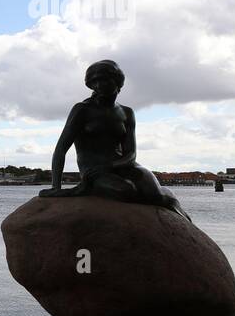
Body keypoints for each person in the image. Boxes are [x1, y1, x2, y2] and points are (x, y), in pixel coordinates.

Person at [40, 59, 187, 217]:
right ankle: (86, 189)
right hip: (94, 171)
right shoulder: (82, 110)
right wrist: (56, 187)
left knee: (156, 195)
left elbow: (130, 154)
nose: (98, 85)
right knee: (126, 191)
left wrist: (110, 166)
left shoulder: (127, 112)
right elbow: (61, 149)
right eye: (94, 81)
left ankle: (178, 212)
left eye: (103, 79)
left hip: (124, 166)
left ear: (117, 81)